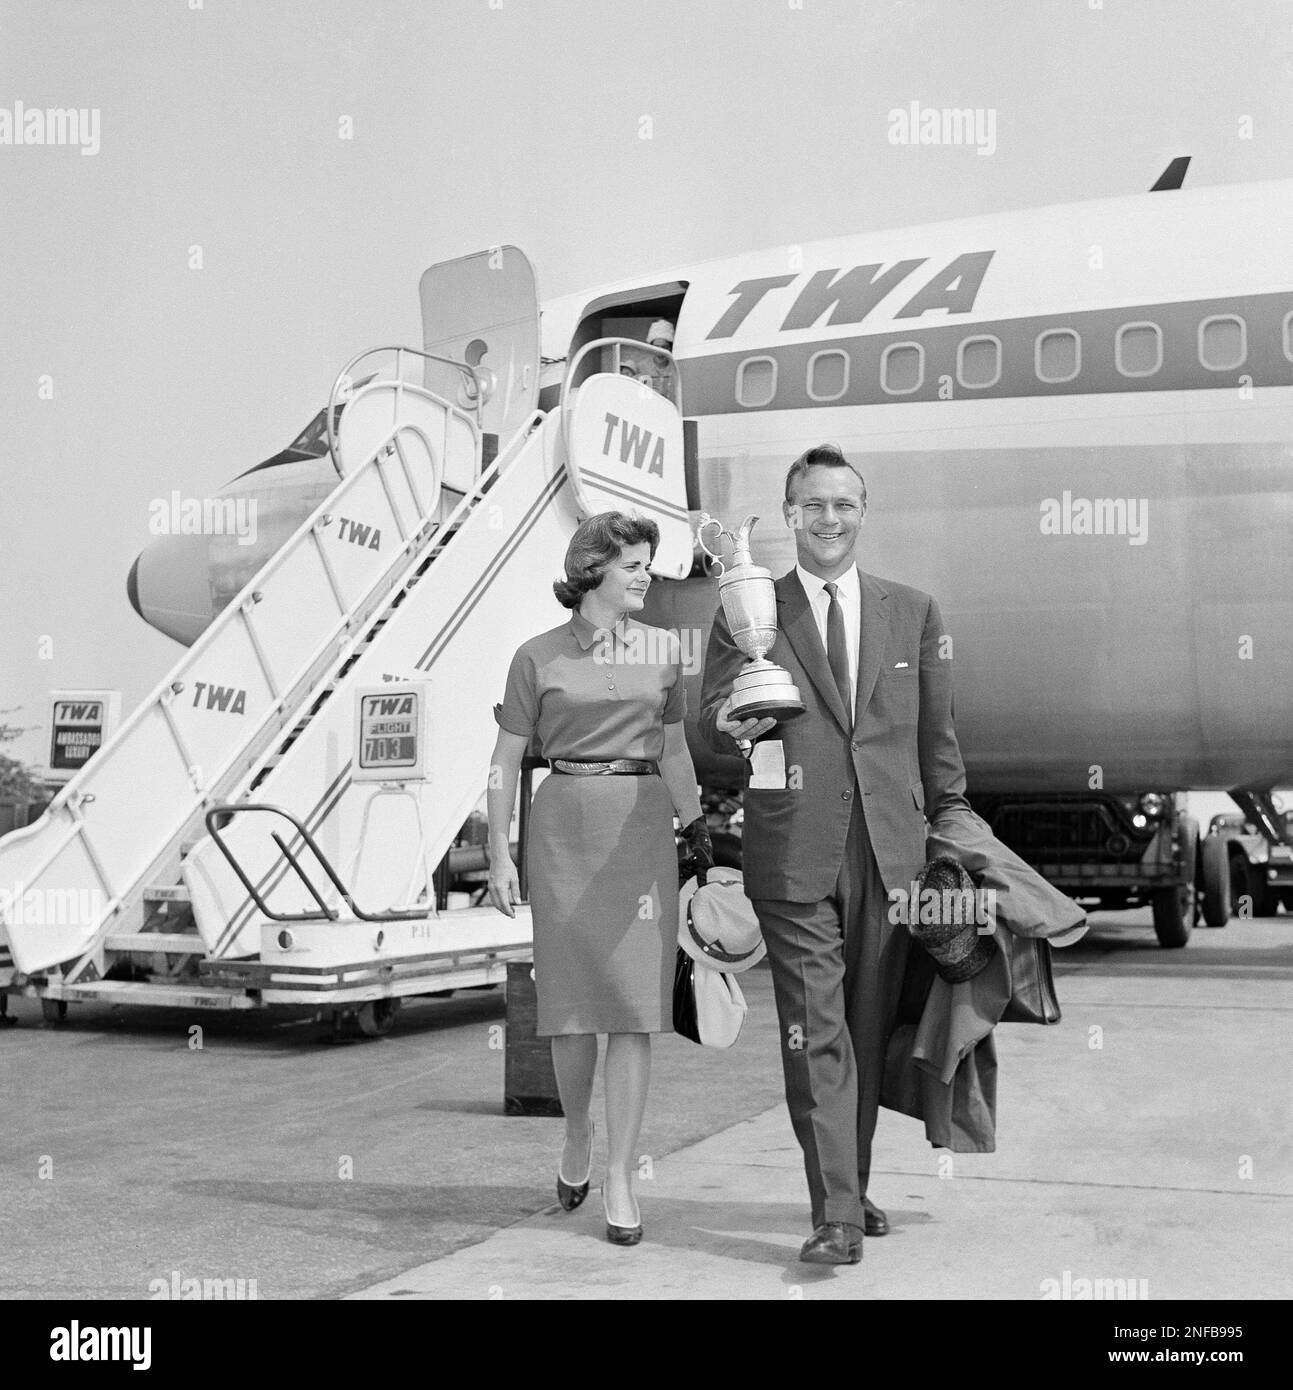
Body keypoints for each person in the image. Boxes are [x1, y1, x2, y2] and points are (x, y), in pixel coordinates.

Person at [699, 442, 985, 1265]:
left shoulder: (914, 611)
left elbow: (938, 743)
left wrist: (956, 835)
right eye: (812, 506)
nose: (828, 520)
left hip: (892, 857)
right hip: (792, 855)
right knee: (814, 1029)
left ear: (862, 514)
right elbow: (705, 716)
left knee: (862, 1030)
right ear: (788, 516)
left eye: (843, 505)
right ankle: (836, 1216)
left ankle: (849, 1187)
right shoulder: (746, 605)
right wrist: (724, 724)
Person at [487, 511, 712, 1246]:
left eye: (648, 563)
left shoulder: (663, 650)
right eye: (633, 565)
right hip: (563, 831)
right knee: (573, 1006)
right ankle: (576, 1134)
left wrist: (697, 826)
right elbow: (503, 763)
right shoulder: (536, 656)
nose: (647, 575)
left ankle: (619, 1172)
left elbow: (674, 750)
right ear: (591, 572)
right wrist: (496, 852)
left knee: (634, 1008)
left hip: (641, 828)